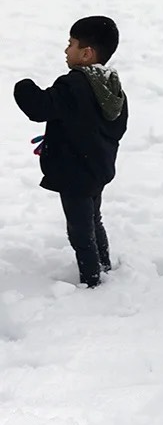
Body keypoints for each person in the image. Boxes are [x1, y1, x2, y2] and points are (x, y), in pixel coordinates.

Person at [13, 16, 129, 288]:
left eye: (71, 44)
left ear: (86, 54)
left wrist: (23, 86)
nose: (66, 50)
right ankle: (104, 265)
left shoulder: (73, 85)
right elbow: (115, 125)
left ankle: (92, 281)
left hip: (75, 173)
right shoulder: (111, 85)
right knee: (94, 219)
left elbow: (40, 107)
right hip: (97, 168)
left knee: (80, 230)